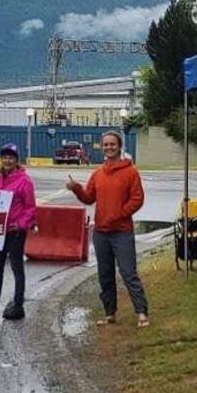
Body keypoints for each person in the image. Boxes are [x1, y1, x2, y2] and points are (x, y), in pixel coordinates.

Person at [65, 130, 150, 328]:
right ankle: (109, 313)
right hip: (101, 233)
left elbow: (137, 199)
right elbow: (88, 198)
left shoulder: (131, 172)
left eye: (112, 144)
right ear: (102, 147)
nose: (109, 148)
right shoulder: (98, 174)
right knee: (105, 274)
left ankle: (142, 312)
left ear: (119, 147)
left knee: (128, 272)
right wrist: (76, 188)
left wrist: (119, 214)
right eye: (105, 145)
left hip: (122, 231)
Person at [0, 143, 37, 321]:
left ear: (16, 160)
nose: (8, 161)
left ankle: (18, 304)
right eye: (5, 157)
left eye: (11, 158)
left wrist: (21, 224)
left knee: (16, 266)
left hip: (15, 230)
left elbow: (30, 207)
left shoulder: (24, 181)